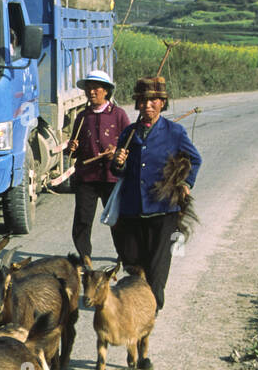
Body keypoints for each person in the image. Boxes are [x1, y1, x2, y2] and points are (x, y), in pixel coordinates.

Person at [108, 75, 202, 312]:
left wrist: (186, 182)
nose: (147, 105)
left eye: (153, 101)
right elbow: (118, 171)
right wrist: (118, 162)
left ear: (162, 103)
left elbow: (195, 159)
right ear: (137, 104)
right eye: (142, 101)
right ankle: (141, 297)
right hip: (133, 209)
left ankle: (152, 306)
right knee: (132, 260)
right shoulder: (128, 134)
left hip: (163, 209)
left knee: (158, 265)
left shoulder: (174, 132)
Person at [66, 69, 130, 260]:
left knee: (116, 219)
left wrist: (116, 151)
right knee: (82, 221)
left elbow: (129, 144)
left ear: (106, 92)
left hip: (111, 177)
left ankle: (124, 255)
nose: (91, 92)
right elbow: (73, 152)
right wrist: (72, 147)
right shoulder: (82, 117)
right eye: (89, 89)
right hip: (86, 177)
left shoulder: (118, 115)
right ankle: (85, 257)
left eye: (96, 89)